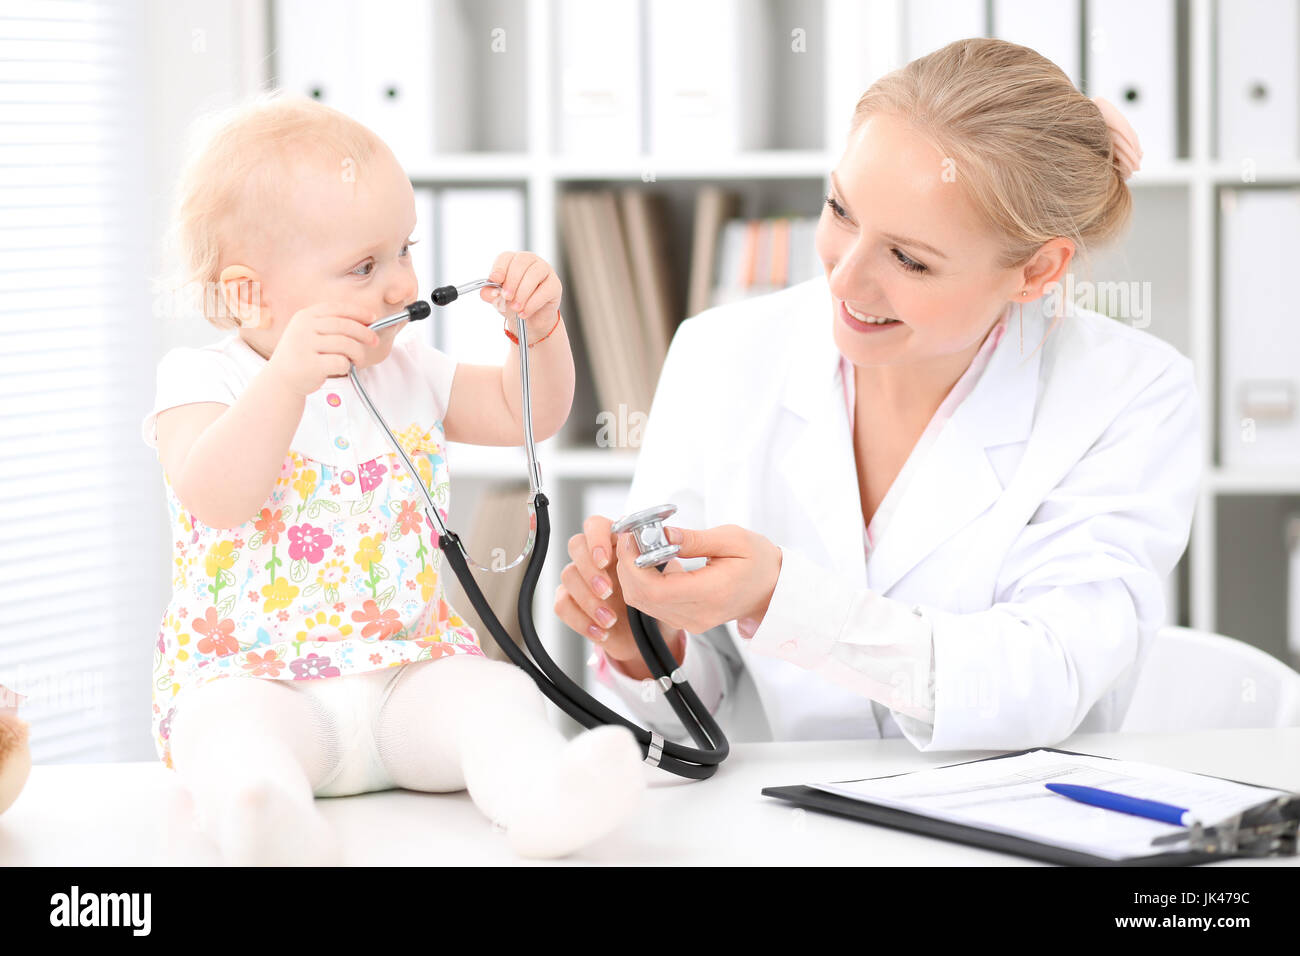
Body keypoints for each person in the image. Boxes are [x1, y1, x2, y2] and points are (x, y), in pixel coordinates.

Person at [555, 37, 1200, 752]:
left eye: (908, 259)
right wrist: (649, 648)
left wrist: (782, 599)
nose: (845, 280)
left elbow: (1041, 678)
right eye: (840, 210)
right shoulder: (719, 353)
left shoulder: (1131, 393)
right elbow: (705, 715)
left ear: (1039, 269)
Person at [142, 93, 643, 864]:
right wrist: (286, 384)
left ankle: (542, 798)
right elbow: (217, 495)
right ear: (246, 293)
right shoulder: (201, 379)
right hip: (263, 685)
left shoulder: (408, 369)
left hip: (407, 683)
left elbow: (523, 412)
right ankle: (265, 817)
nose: (398, 286)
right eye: (363, 266)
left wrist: (535, 336)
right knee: (227, 735)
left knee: (496, 696)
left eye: (403, 251)